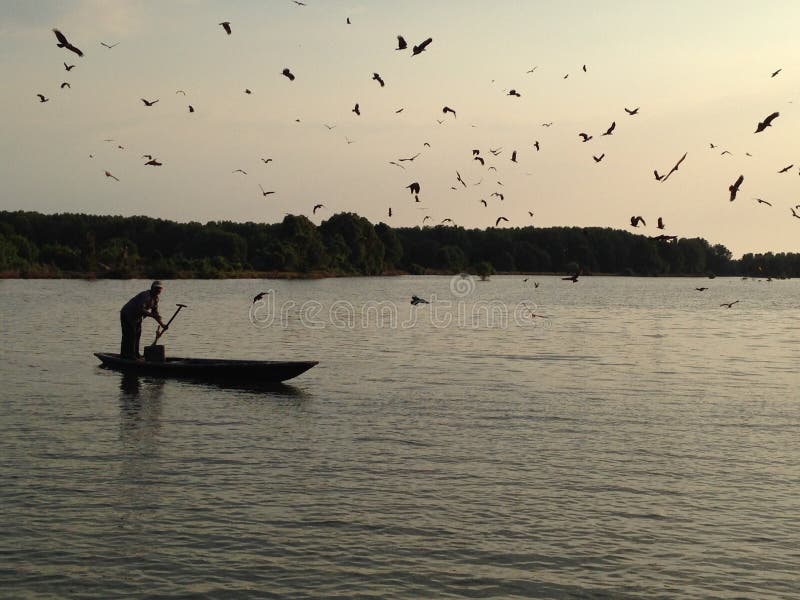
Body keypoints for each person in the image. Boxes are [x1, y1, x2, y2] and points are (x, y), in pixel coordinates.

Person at [120, 281, 168, 360]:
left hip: (137, 317)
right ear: (152, 288)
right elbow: (140, 309)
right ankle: (127, 355)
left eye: (159, 289)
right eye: (156, 288)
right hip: (127, 314)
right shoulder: (145, 296)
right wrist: (151, 315)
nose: (158, 290)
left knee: (138, 334)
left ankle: (136, 354)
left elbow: (155, 313)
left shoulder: (156, 299)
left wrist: (162, 325)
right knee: (130, 335)